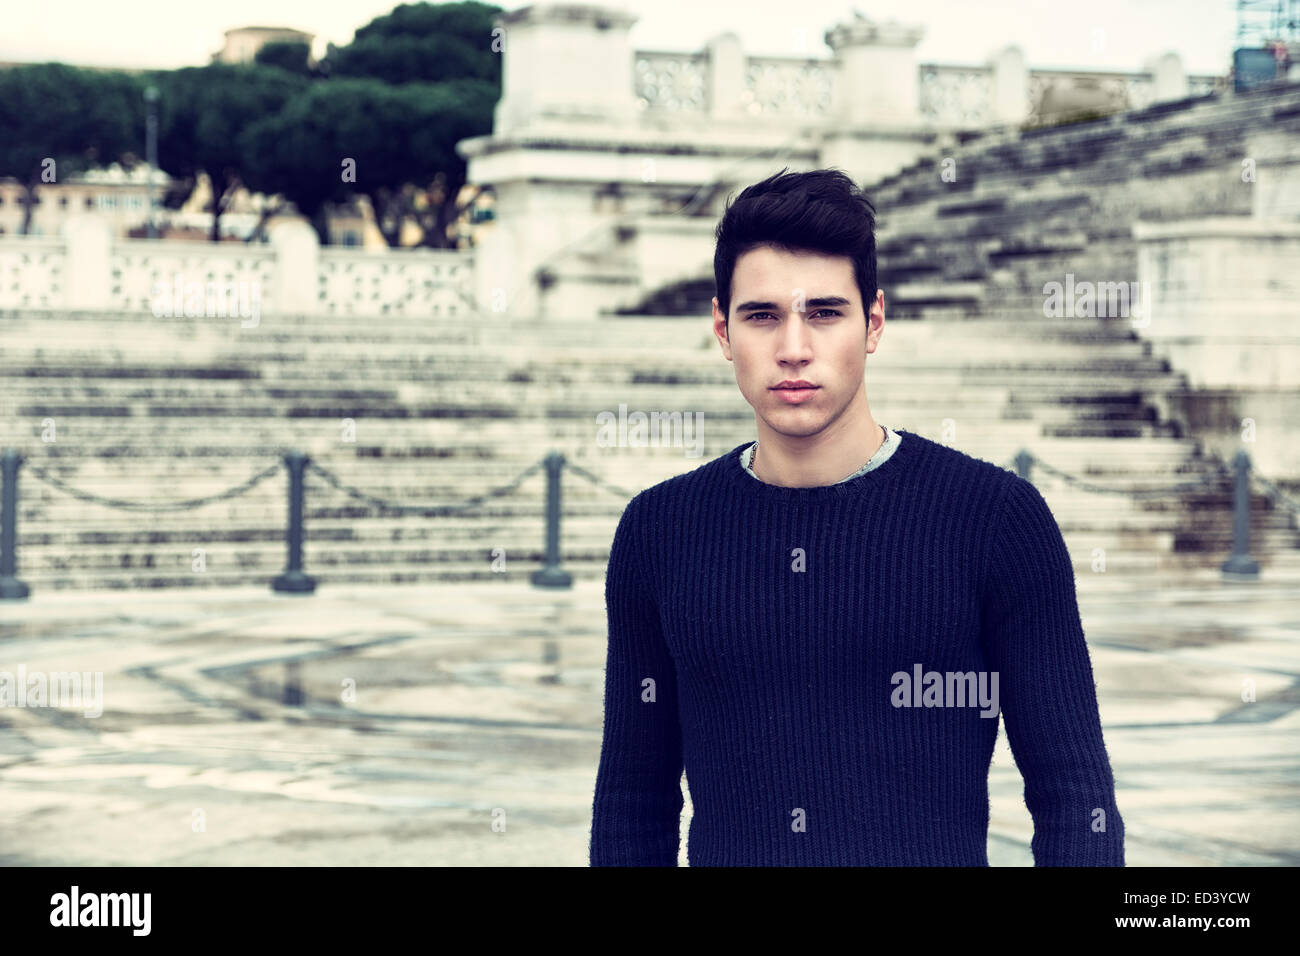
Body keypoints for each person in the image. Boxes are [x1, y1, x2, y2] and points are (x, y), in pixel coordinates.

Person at [589, 167, 1124, 866]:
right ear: (722, 330)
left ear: (873, 323)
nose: (793, 347)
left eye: (824, 312)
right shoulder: (659, 532)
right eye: (761, 315)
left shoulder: (994, 520)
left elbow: (1072, 794)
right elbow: (634, 801)